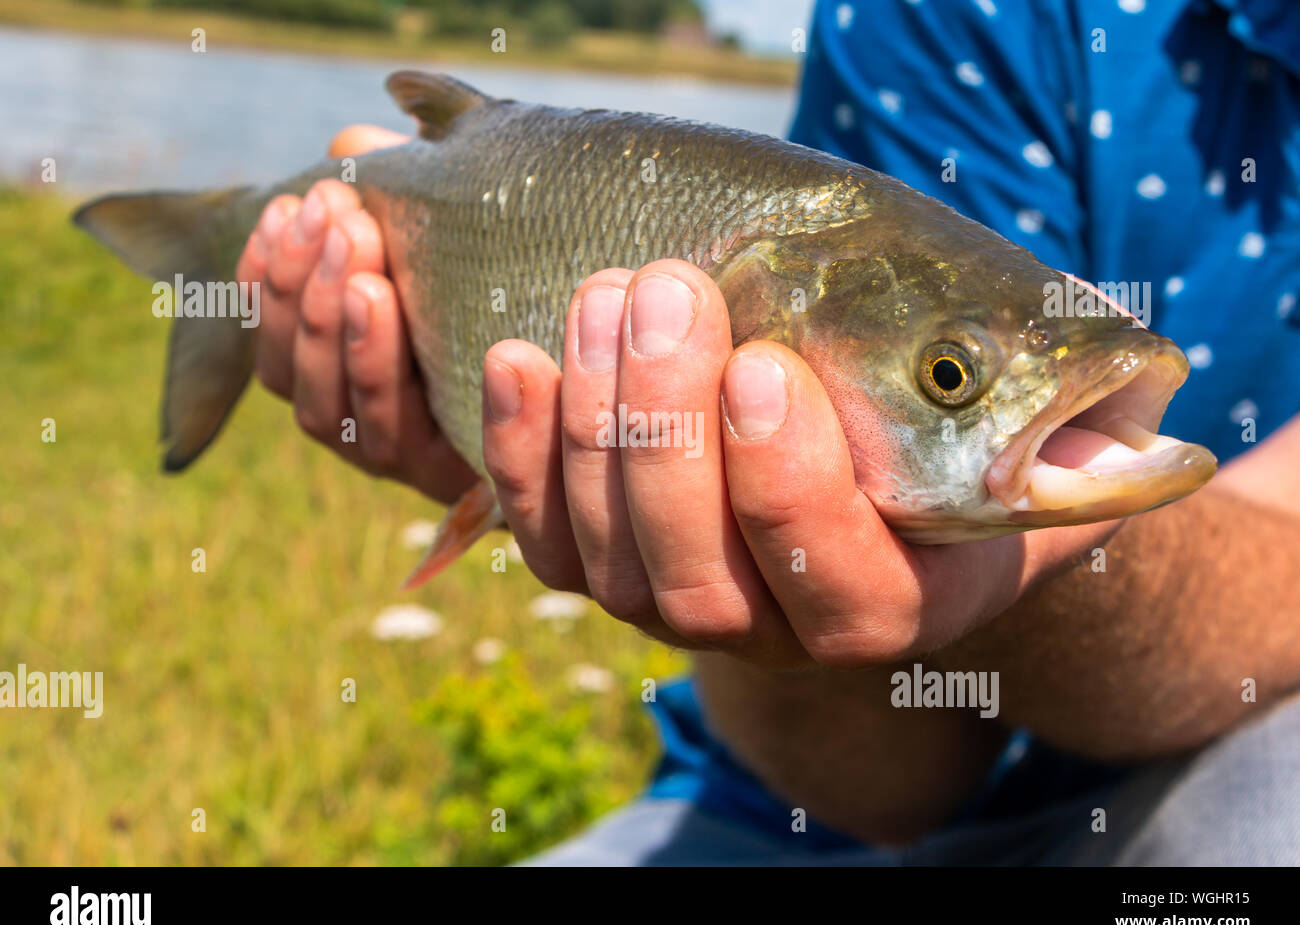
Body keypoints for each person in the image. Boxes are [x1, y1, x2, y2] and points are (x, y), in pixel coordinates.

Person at [236, 0, 1300, 864]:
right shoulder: (954, 18)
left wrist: (1020, 571)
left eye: (946, 376)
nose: (952, 383)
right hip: (779, 810)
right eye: (949, 375)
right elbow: (873, 790)